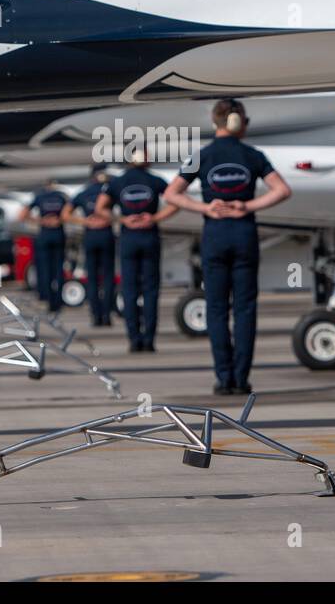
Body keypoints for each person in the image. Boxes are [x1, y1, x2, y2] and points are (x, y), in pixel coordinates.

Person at [164, 100, 291, 394]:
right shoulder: (253, 155)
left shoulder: (201, 156)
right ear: (239, 122)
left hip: (215, 235)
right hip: (244, 233)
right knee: (245, 309)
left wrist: (205, 208)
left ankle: (224, 378)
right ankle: (242, 378)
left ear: (215, 122)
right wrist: (247, 205)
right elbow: (282, 190)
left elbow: (171, 194)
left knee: (217, 308)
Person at [96, 152, 178, 352]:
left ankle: (134, 339)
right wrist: (155, 218)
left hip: (129, 238)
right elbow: (176, 202)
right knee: (150, 291)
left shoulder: (117, 182)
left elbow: (100, 208)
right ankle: (149, 340)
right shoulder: (155, 180)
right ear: (147, 160)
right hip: (149, 236)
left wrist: (122, 219)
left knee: (129, 291)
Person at [63, 163, 116, 327]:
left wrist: (84, 221)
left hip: (90, 235)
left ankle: (95, 316)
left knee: (92, 278)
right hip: (105, 234)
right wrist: (109, 219)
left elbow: (65, 214)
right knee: (107, 278)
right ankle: (106, 315)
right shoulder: (109, 191)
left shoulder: (84, 193)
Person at [19, 180, 69, 313]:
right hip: (58, 235)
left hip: (45, 236)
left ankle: (47, 299)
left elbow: (22, 215)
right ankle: (58, 300)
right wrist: (57, 221)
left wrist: (42, 221)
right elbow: (68, 215)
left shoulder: (39, 197)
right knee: (58, 270)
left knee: (45, 270)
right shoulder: (61, 197)